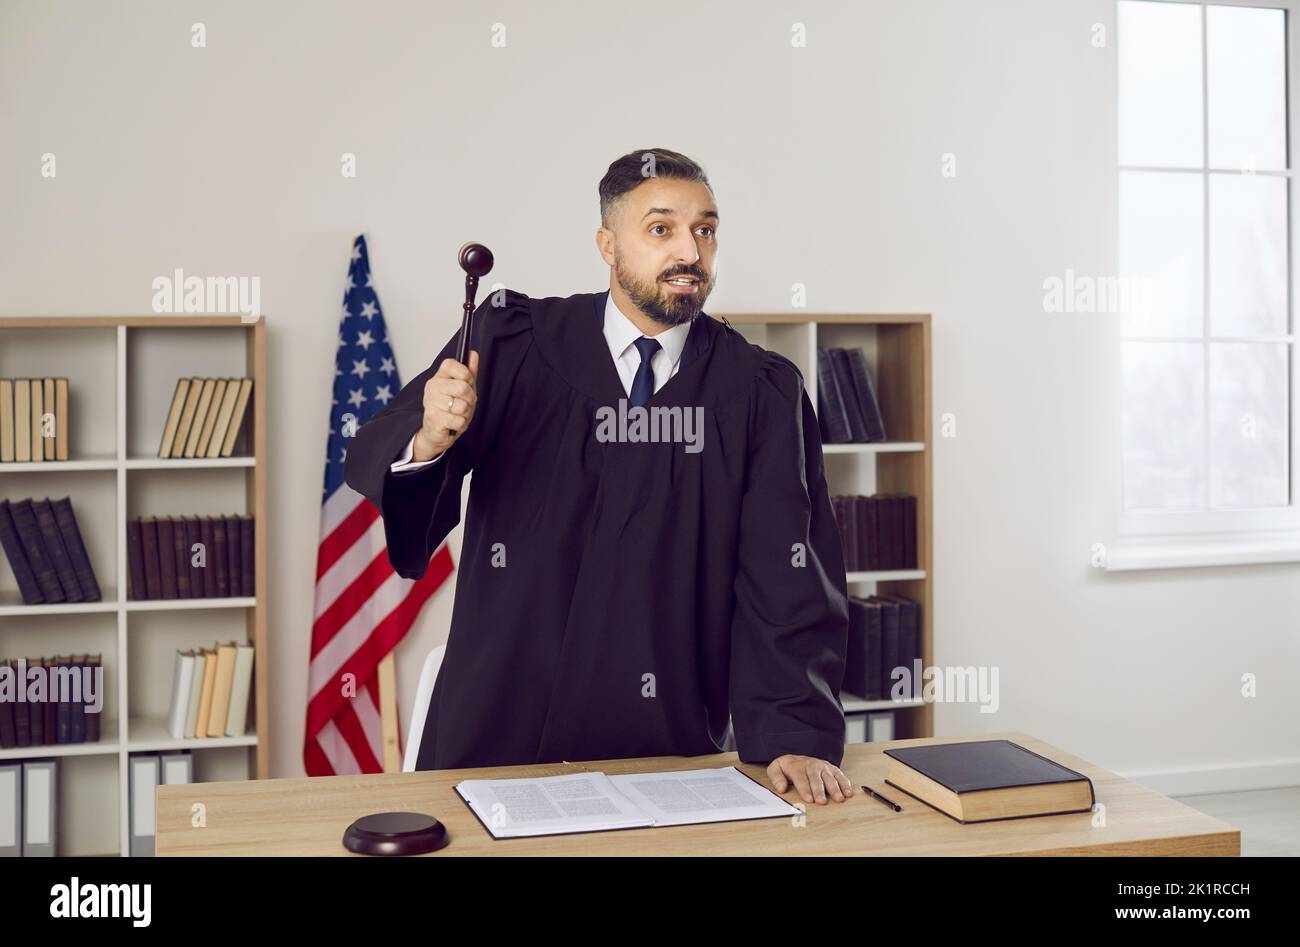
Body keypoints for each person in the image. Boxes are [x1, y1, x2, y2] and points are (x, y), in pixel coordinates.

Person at [344, 148, 853, 804]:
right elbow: (403, 476)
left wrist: (793, 730)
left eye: (706, 230)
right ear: (608, 244)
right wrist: (430, 437)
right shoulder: (513, 343)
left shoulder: (759, 392)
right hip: (498, 732)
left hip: (664, 743)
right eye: (662, 228)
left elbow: (788, 580)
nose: (691, 253)